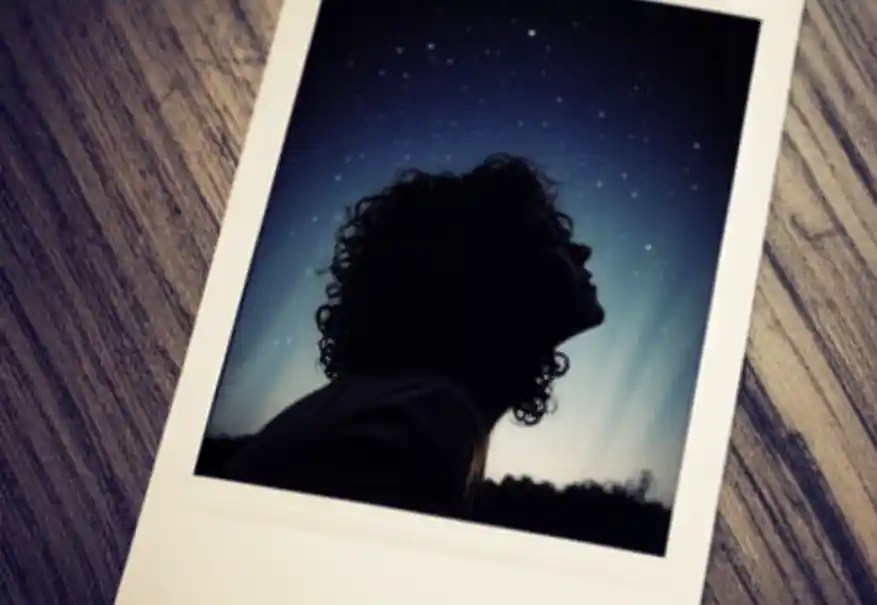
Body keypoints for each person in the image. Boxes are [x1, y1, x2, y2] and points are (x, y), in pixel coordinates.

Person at [224, 154, 605, 517]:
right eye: (550, 239)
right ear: (489, 270)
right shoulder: (422, 417)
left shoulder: (412, 404)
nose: (582, 250)